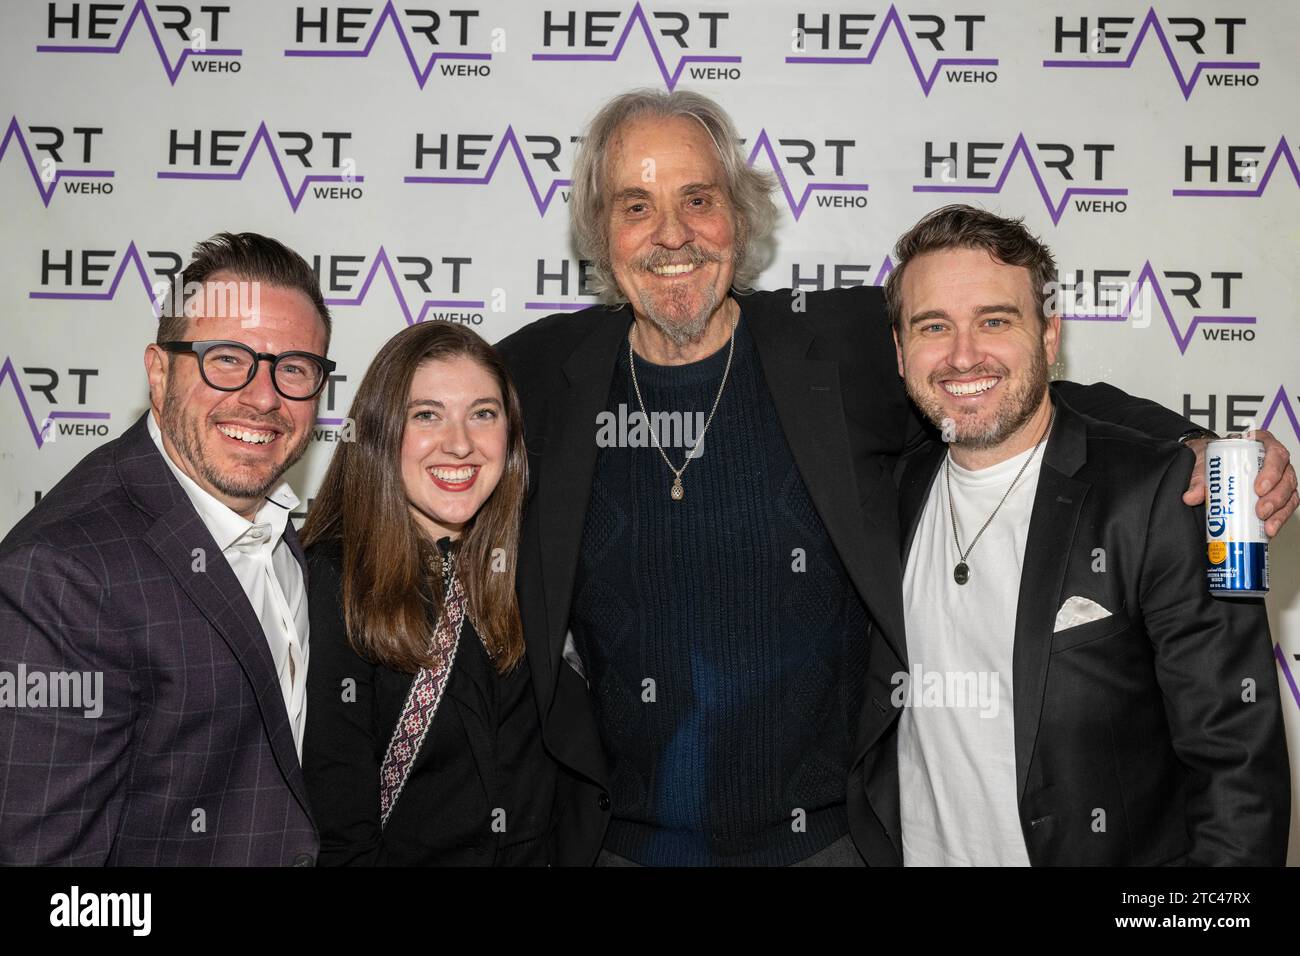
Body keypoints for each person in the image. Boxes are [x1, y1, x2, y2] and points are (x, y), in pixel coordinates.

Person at [493, 88, 1299, 866]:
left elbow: (995, 381)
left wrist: (1199, 441)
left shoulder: (833, 345)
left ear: (738, 217)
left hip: (829, 845)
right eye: (636, 206)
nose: (673, 234)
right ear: (601, 234)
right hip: (621, 845)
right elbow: (431, 444)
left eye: (699, 199)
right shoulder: (544, 372)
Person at [855, 204, 1290, 865]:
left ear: (1049, 337)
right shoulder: (883, 492)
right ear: (899, 350)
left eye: (994, 321)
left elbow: (1235, 763)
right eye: (933, 326)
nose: (963, 354)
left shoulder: (1161, 495)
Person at [0, 232, 329, 865]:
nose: (263, 398)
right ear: (159, 371)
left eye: (293, 368)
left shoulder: (279, 530)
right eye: (227, 358)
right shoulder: (65, 575)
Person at [300, 322, 555, 865]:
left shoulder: (533, 565)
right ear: (381, 431)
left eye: (483, 414)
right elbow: (339, 823)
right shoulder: (332, 578)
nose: (460, 443)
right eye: (427, 415)